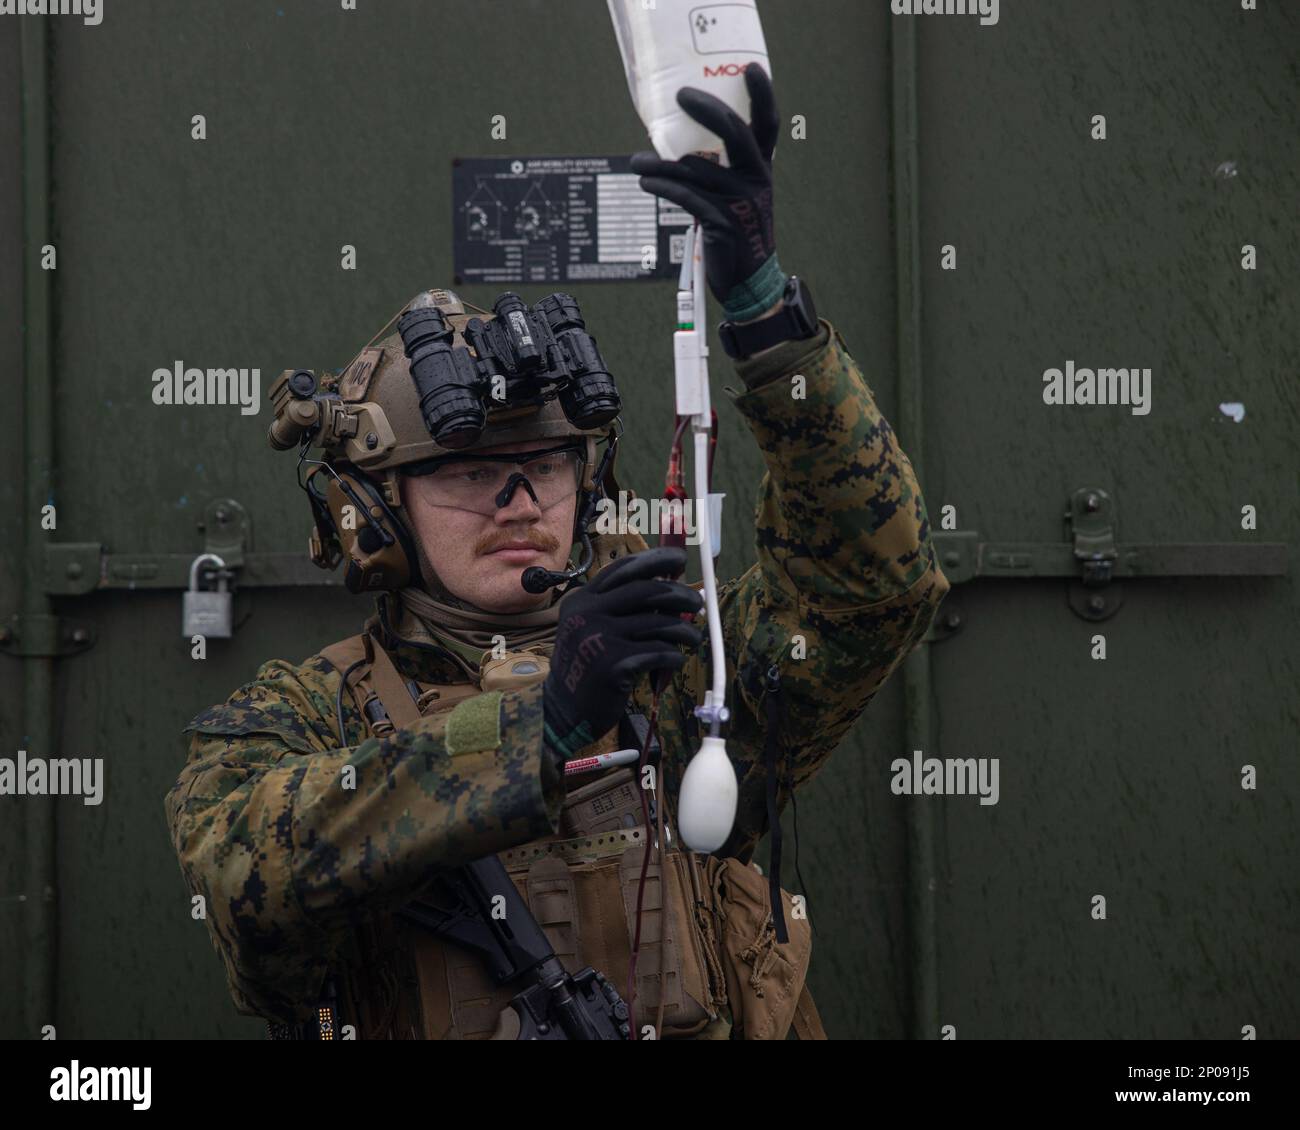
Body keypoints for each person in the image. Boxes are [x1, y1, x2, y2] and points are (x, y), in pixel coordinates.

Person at [164, 63, 950, 1040]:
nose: (518, 498)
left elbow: (871, 587)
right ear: (374, 509)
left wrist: (761, 312)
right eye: (463, 474)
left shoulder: (680, 683)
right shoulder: (302, 718)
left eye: (546, 463)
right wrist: (545, 724)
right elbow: (247, 871)